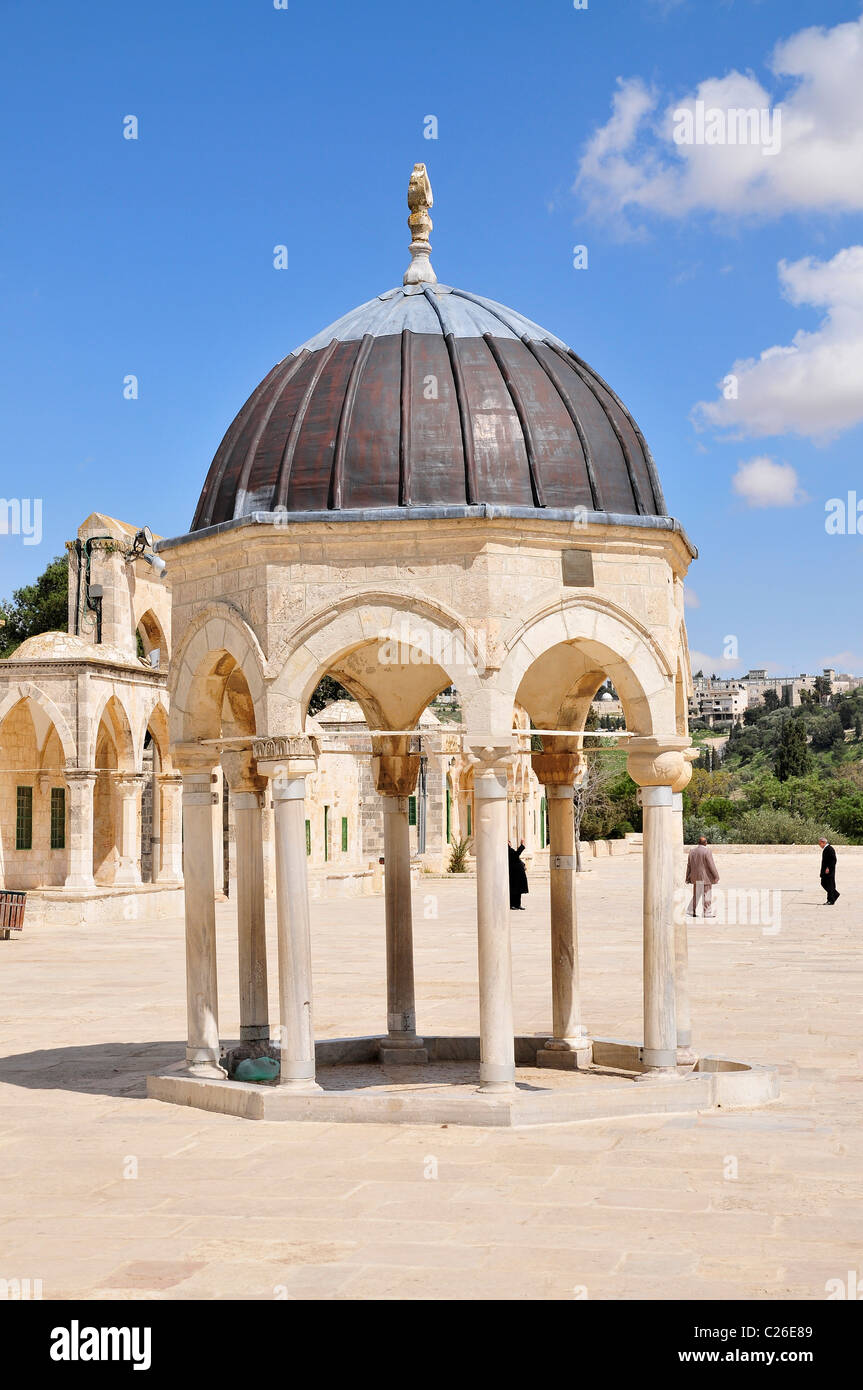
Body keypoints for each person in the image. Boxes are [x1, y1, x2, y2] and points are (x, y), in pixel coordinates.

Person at [685, 835, 719, 918]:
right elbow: (711, 865)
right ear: (705, 843)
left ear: (698, 842)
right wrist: (716, 876)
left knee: (696, 895)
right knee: (707, 894)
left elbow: (689, 865)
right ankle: (707, 913)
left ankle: (690, 911)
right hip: (706, 877)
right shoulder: (707, 851)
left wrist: (687, 877)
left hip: (695, 877)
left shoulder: (692, 851)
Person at [818, 837, 840, 905]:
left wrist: (829, 868)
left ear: (823, 842)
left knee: (829, 885)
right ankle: (835, 894)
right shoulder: (826, 849)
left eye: (820, 843)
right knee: (824, 883)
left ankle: (830, 900)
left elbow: (833, 860)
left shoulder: (829, 849)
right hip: (826, 871)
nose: (819, 845)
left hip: (829, 871)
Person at [508, 840, 528, 910]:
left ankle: (518, 904)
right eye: (508, 842)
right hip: (513, 874)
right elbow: (516, 855)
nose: (509, 843)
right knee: (513, 890)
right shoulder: (508, 850)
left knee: (518, 890)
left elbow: (516, 859)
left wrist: (522, 864)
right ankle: (512, 905)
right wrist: (522, 846)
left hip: (517, 874)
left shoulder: (510, 850)